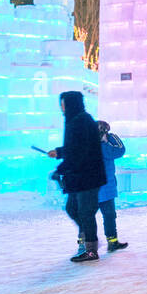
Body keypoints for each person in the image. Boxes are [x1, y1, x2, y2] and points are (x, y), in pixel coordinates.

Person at [48, 90, 106, 263]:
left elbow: (78, 153)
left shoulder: (80, 121)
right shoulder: (76, 120)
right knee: (73, 209)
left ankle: (90, 250)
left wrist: (60, 169)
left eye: (63, 104)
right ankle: (89, 239)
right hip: (80, 178)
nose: (61, 107)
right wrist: (59, 152)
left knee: (85, 212)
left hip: (88, 177)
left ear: (71, 104)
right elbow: (74, 148)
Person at [96, 120, 128, 252]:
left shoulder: (111, 138)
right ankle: (87, 243)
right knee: (88, 216)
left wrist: (104, 142)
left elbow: (119, 151)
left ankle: (112, 241)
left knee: (109, 215)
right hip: (92, 185)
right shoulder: (87, 140)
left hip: (106, 186)